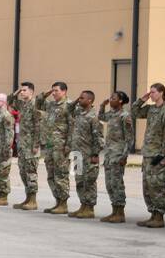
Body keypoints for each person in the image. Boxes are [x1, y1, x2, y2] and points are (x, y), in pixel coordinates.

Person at [132, 82, 165, 228]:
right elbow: (134, 112)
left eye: (153, 92)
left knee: (157, 186)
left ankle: (159, 217)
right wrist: (142, 100)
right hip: (148, 154)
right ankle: (152, 215)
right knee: (147, 187)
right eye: (150, 92)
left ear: (161, 93)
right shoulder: (151, 109)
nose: (151, 95)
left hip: (158, 156)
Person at [36, 81, 73, 214]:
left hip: (61, 146)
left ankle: (63, 203)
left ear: (64, 91)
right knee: (51, 175)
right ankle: (57, 201)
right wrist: (45, 94)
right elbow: (38, 104)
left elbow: (72, 126)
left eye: (56, 90)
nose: (54, 93)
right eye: (52, 90)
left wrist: (68, 145)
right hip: (50, 144)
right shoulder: (51, 105)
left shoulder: (69, 106)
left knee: (61, 174)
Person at [97, 90, 134, 223]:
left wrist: (124, 156)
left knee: (117, 183)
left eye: (113, 98)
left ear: (120, 101)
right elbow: (100, 116)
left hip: (118, 155)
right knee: (109, 184)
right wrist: (102, 105)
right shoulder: (112, 114)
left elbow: (129, 139)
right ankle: (114, 211)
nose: (110, 99)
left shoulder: (125, 116)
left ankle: (120, 212)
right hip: (109, 155)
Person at [67, 90, 103, 219]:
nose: (79, 99)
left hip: (88, 155)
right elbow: (68, 108)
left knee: (89, 181)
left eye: (82, 98)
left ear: (90, 101)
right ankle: (83, 205)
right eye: (79, 98)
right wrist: (77, 100)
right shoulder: (78, 112)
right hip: (77, 153)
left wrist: (95, 154)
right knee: (79, 180)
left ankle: (90, 208)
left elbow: (98, 138)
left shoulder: (93, 116)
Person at [12, 82, 40, 210]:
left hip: (31, 145)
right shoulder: (23, 105)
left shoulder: (35, 105)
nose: (22, 92)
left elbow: (38, 126)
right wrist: (16, 92)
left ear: (31, 92)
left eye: (24, 90)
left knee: (31, 173)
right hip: (23, 144)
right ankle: (27, 198)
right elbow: (9, 101)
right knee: (23, 172)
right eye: (21, 90)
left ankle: (33, 200)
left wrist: (36, 145)